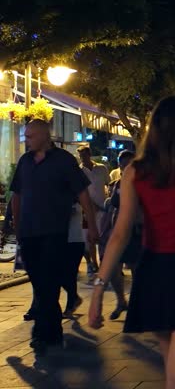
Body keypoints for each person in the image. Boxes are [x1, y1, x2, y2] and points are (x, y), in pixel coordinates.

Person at [89, 97, 175, 389]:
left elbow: (120, 233)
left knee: (172, 370)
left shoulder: (135, 172)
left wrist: (99, 287)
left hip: (152, 268)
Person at [11, 120, 100, 354]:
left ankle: (44, 332)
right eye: (25, 136)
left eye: (30, 136)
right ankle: (51, 330)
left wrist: (91, 226)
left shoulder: (63, 160)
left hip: (54, 231)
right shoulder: (25, 162)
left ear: (43, 136)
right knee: (39, 282)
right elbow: (17, 194)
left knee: (48, 282)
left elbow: (83, 194)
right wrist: (16, 225)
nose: (26, 140)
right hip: (29, 232)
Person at [99, 149, 142, 321]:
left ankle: (137, 303)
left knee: (135, 269)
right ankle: (121, 301)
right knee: (112, 270)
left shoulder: (141, 183)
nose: (127, 168)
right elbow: (112, 208)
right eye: (123, 164)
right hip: (117, 232)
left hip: (135, 232)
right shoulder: (116, 184)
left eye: (130, 164)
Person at [78, 145, 110, 281]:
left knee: (104, 236)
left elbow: (108, 185)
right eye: (81, 156)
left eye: (85, 155)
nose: (83, 158)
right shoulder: (79, 171)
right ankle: (93, 264)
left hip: (102, 208)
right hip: (86, 210)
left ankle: (105, 263)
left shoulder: (101, 169)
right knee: (89, 237)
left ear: (89, 154)